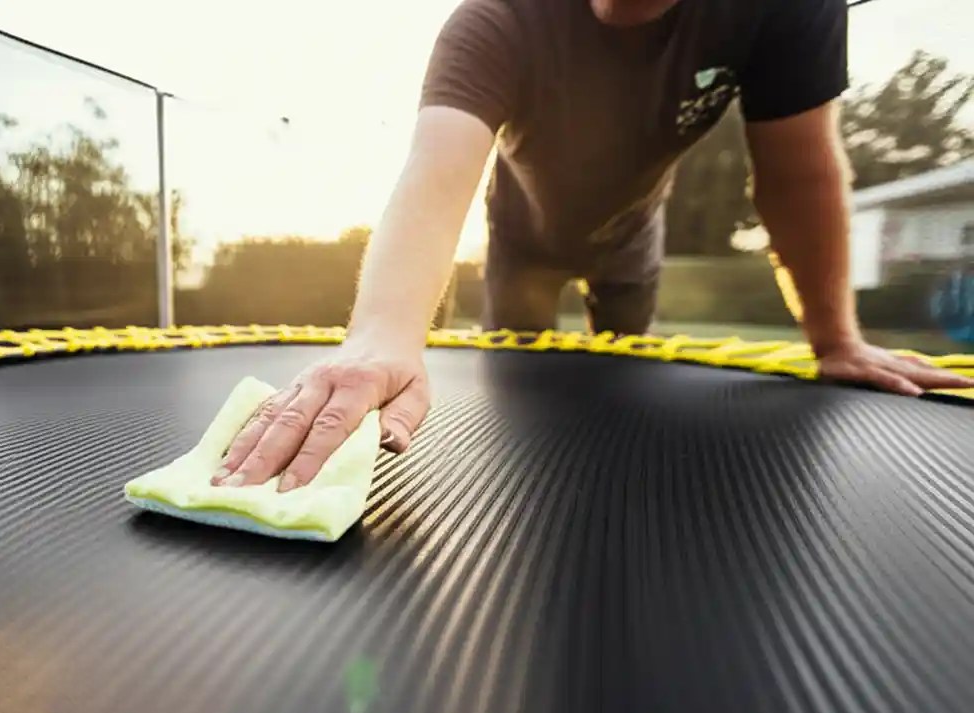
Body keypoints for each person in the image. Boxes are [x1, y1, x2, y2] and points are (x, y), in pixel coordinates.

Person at [210, 0, 974, 493]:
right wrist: (380, 337)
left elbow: (798, 173)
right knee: (518, 388)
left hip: (633, 240)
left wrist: (835, 337)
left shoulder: (784, 7)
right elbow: (436, 178)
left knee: (621, 385)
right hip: (523, 241)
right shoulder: (495, 21)